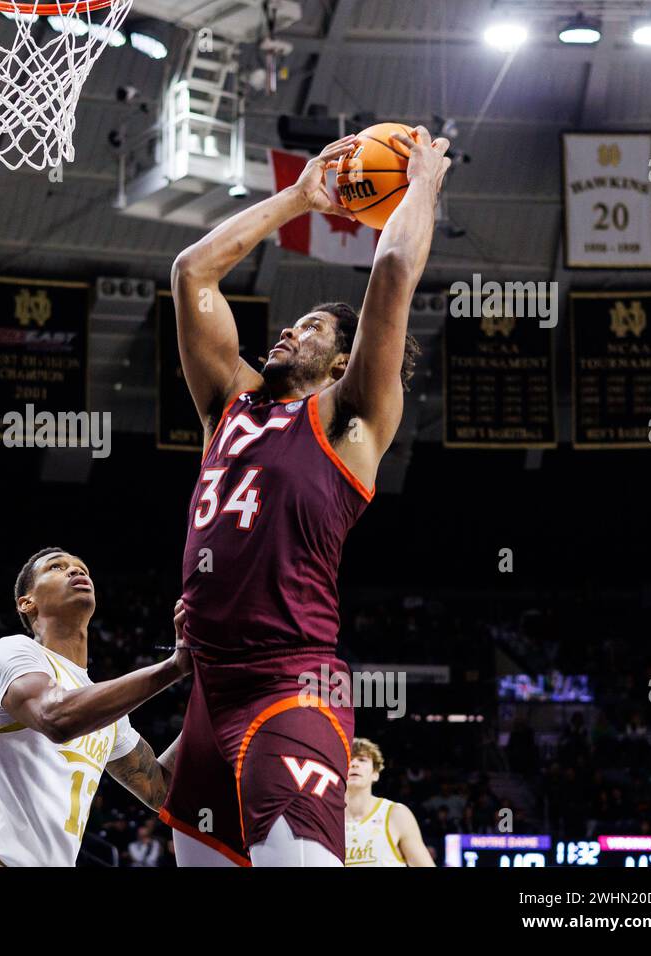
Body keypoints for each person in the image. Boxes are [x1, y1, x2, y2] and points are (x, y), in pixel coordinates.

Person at [160, 128, 451, 867]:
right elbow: (193, 271)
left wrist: (420, 187)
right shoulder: (230, 404)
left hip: (291, 684)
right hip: (208, 693)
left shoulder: (348, 420)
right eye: (292, 322)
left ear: (346, 360)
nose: (290, 329)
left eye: (313, 327)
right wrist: (297, 197)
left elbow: (389, 271)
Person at [0, 547, 187, 867]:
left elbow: (161, 790)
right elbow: (56, 717)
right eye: (57, 567)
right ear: (26, 602)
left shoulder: (104, 709)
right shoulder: (12, 652)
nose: (75, 571)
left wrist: (216, 693)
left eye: (81, 568)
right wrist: (175, 667)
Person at [344, 738, 435, 866]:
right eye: (348, 760)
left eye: (362, 760)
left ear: (375, 773)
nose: (354, 764)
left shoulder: (396, 814)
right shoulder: (324, 819)